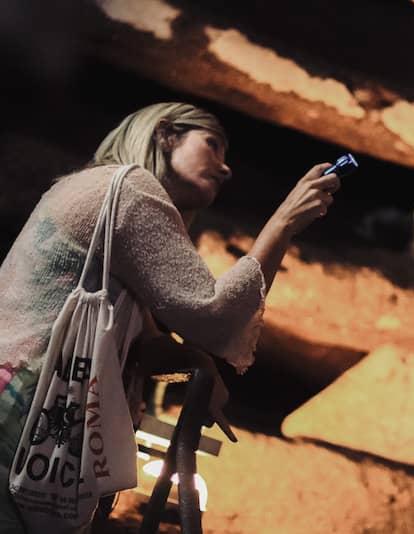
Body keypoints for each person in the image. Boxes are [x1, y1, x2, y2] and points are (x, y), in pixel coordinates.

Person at [0, 102, 340, 531]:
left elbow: (145, 340)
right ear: (165, 135)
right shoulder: (128, 189)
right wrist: (284, 222)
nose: (226, 168)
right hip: (20, 424)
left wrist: (196, 363)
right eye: (212, 145)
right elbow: (216, 316)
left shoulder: (94, 187)